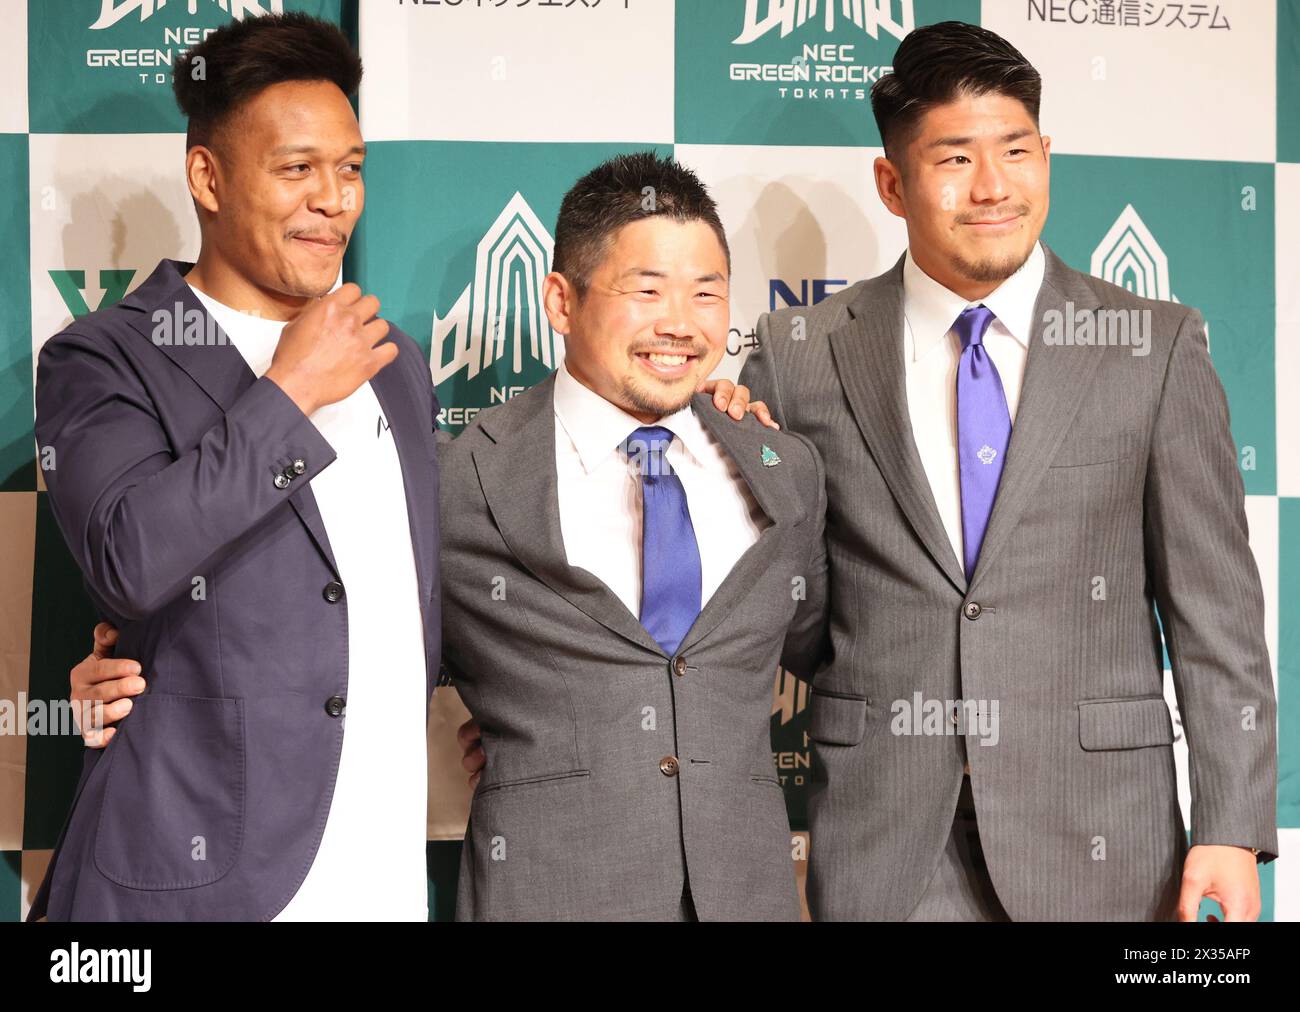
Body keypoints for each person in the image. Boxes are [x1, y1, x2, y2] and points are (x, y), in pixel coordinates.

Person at [66, 152, 820, 921]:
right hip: (546, 894)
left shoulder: (781, 468)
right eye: (647, 289)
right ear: (561, 300)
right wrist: (136, 671)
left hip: (749, 896)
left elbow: (844, 650)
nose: (680, 323)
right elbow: (315, 620)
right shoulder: (454, 479)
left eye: (706, 293)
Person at [731, 21, 1277, 921]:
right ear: (891, 183)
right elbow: (767, 615)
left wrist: (1229, 823)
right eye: (953, 159)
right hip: (890, 837)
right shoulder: (800, 356)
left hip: (1104, 837)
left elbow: (1216, 613)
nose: (993, 188)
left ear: (1046, 155)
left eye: (1015, 151)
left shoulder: (1153, 344)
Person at [31, 13, 441, 921]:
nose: (333, 200)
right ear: (207, 178)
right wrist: (290, 391)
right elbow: (129, 559)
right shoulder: (104, 357)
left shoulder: (396, 362)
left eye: (351, 168)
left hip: (379, 881)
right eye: (297, 169)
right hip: (201, 890)